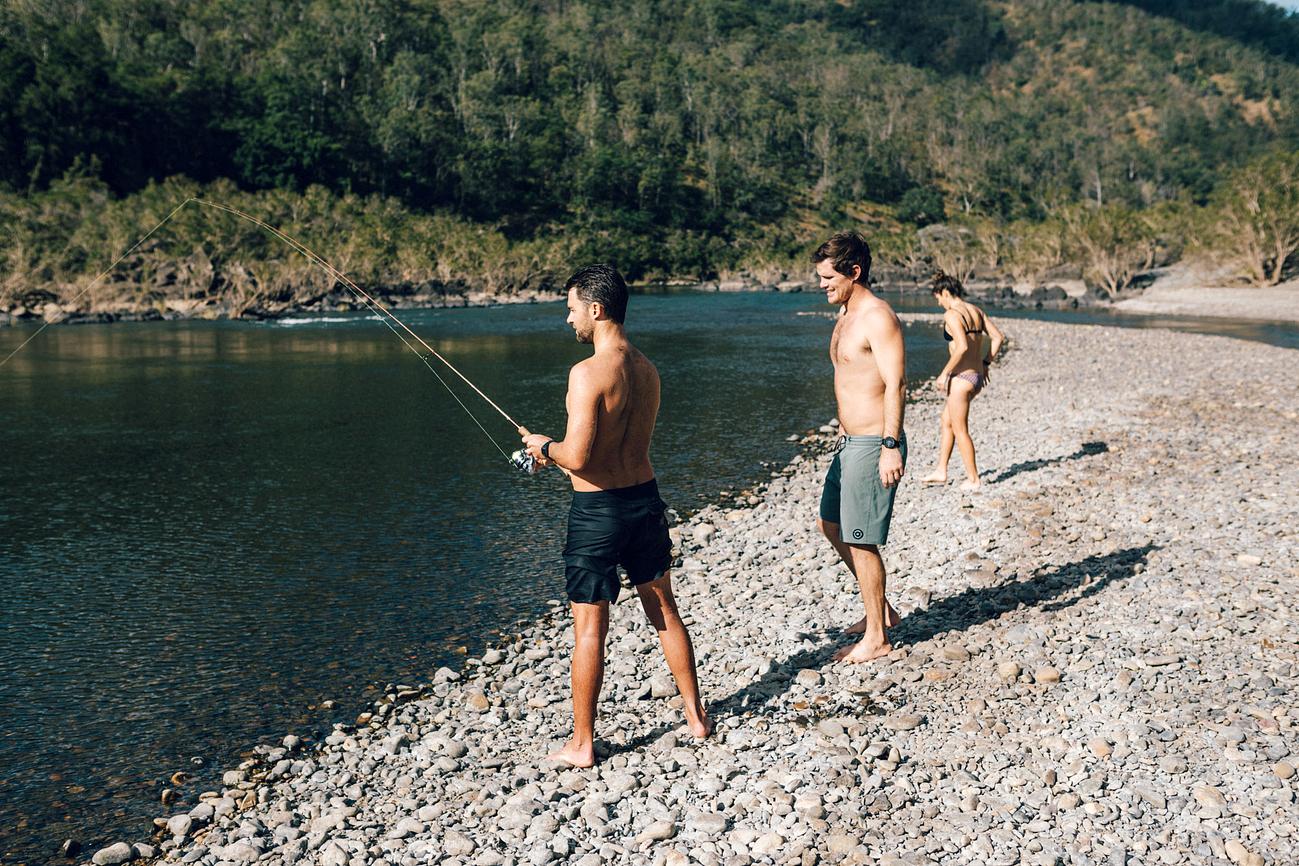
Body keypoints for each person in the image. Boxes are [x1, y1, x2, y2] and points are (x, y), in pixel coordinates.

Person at [520, 263, 712, 767]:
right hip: (645, 501)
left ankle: (582, 743)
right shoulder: (648, 369)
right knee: (664, 608)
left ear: (596, 309)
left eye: (571, 308)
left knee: (589, 628)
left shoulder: (586, 374)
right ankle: (696, 717)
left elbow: (579, 456)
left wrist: (545, 446)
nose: (568, 319)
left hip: (598, 512)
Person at [813, 232, 908, 664]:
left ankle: (877, 637)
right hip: (850, 442)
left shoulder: (877, 317)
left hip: (874, 443)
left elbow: (895, 384)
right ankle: (881, 611)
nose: (822, 285)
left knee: (861, 539)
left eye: (828, 277)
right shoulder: (847, 312)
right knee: (831, 524)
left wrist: (890, 446)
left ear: (854, 272)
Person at [920, 271, 1004, 491]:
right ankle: (941, 470)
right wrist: (986, 363)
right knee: (946, 420)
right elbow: (998, 337)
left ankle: (974, 479)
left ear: (945, 292)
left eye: (938, 297)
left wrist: (945, 373)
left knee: (960, 429)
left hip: (961, 378)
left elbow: (962, 346)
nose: (939, 302)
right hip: (975, 376)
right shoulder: (976, 311)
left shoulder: (952, 315)